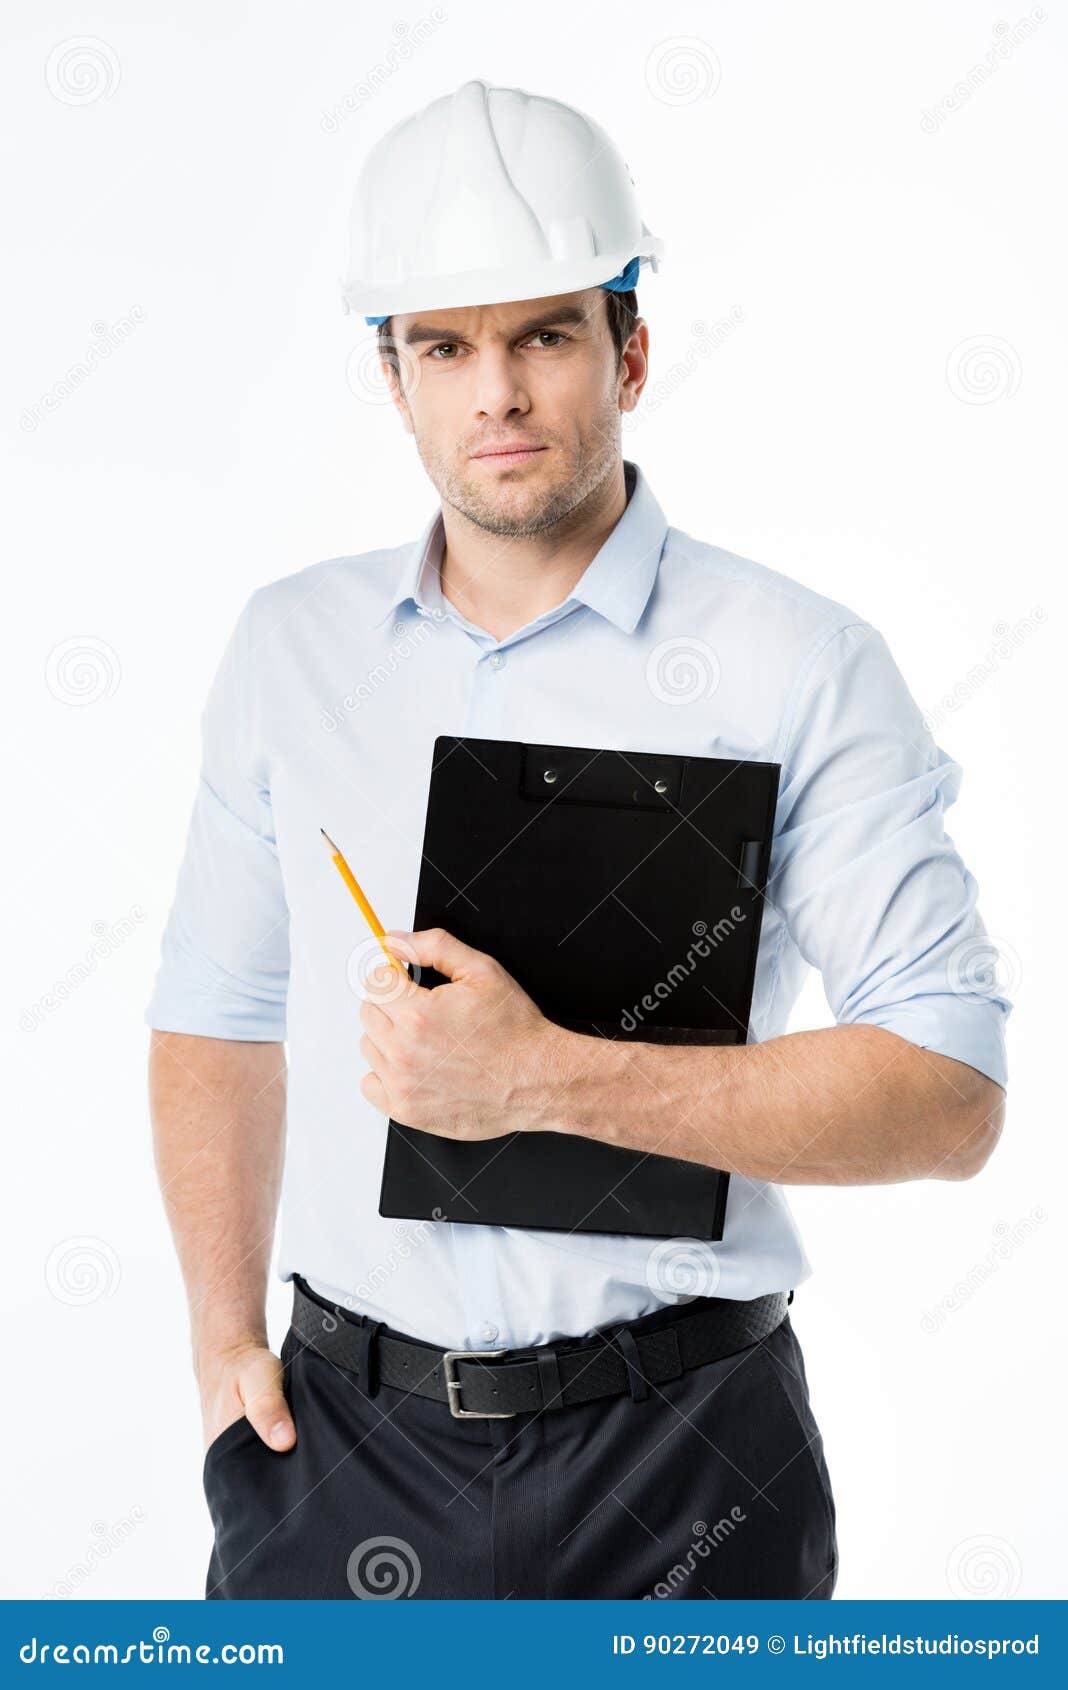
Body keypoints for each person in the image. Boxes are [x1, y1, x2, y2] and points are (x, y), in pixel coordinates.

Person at [146, 79, 1009, 1601]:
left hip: (687, 1464)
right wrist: (226, 1344)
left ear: (633, 346)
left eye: (544, 333)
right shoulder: (291, 651)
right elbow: (218, 1016)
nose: (498, 393)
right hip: (339, 1450)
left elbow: (948, 1093)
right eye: (446, 347)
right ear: (394, 378)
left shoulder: (798, 665)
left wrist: (538, 1075)